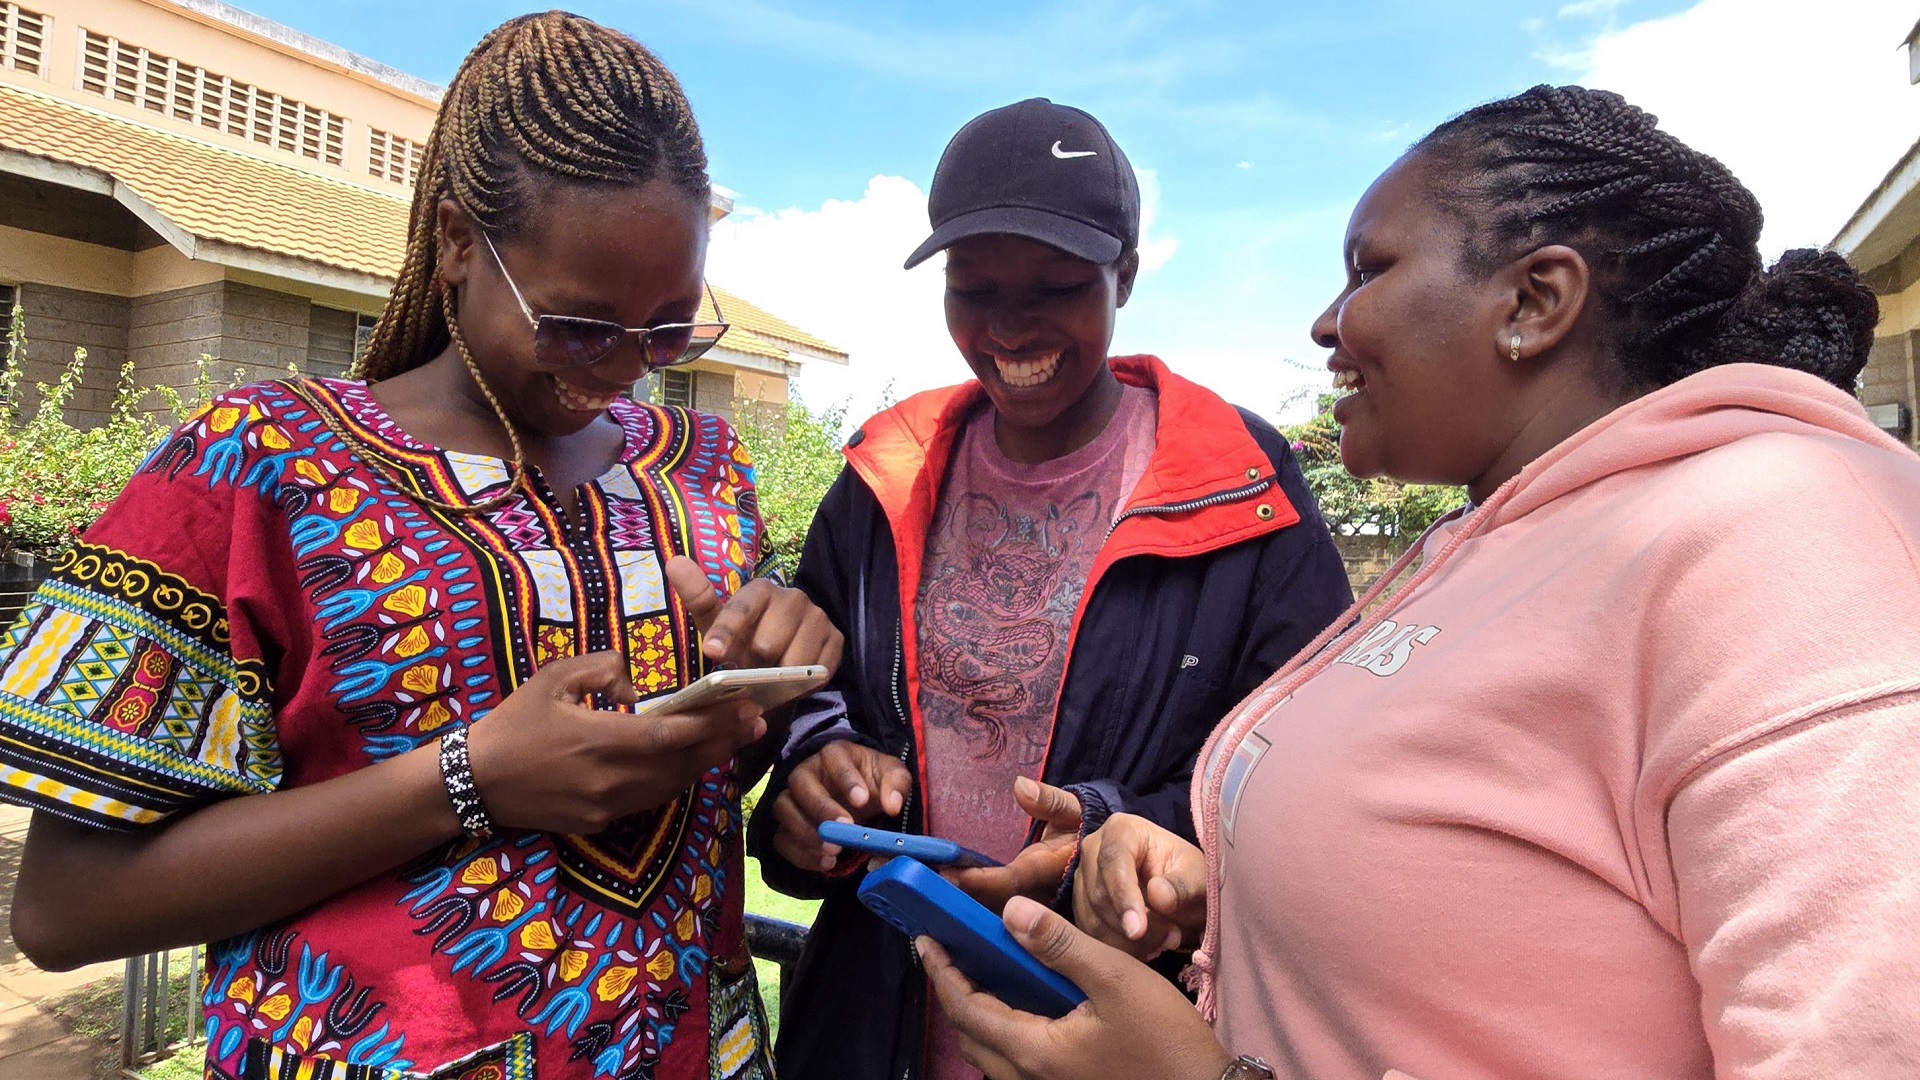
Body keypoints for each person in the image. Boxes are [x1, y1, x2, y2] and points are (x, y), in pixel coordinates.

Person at [919, 84, 1920, 1080]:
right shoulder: (1498, 543)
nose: (1325, 322)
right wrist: (1222, 876)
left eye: (1369, 270)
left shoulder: (1789, 540)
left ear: (1535, 300)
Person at [0, 13, 841, 1079]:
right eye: (581, 324)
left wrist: (761, 703)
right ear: (455, 241)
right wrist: (467, 778)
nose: (629, 369)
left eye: (670, 330)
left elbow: (702, 792)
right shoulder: (262, 464)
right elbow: (66, 908)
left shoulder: (702, 465)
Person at [746, 98, 1352, 1080]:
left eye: (1058, 285)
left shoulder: (1240, 478)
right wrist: (820, 766)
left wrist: (1119, 831)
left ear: (1126, 275)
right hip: (875, 1019)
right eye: (973, 289)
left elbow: (1310, 766)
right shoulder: (885, 472)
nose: (1009, 326)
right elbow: (810, 686)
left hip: (1112, 1025)